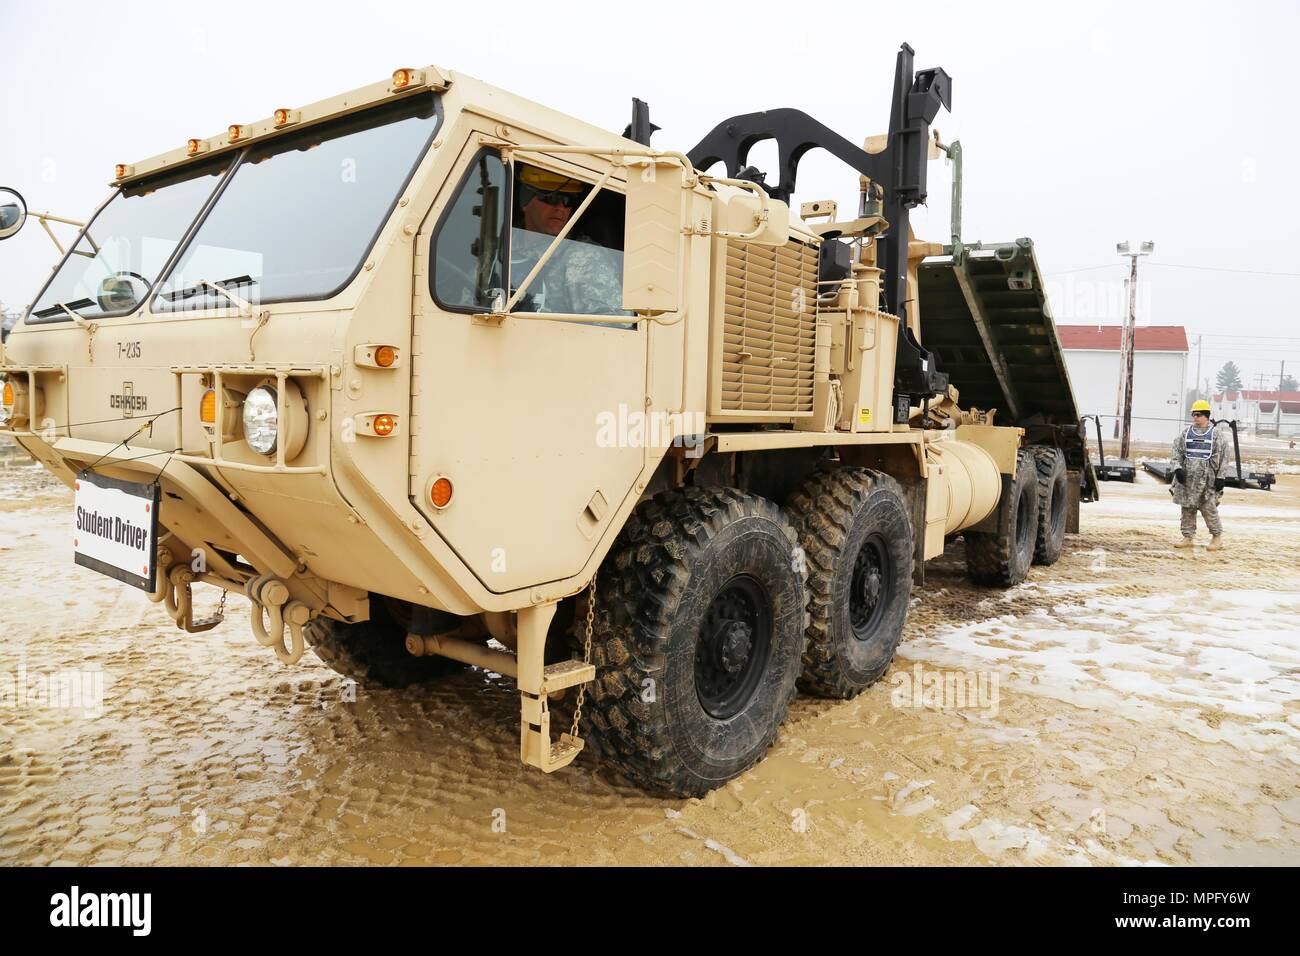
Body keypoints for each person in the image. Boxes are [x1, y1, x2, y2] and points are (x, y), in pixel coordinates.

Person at [510, 164, 624, 316]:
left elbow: (615, 326)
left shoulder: (584, 257)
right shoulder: (500, 246)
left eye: (568, 200)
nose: (561, 208)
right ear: (525, 202)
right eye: (550, 198)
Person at [1170, 400, 1230, 550]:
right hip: (1187, 480)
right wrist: (1177, 469)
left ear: (1206, 416)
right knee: (1187, 509)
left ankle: (1217, 538)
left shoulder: (1217, 435)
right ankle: (1188, 537)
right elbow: (1176, 452)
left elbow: (1224, 457)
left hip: (1207, 480)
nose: (1195, 418)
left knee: (1209, 509)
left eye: (1198, 415)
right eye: (1194, 415)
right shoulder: (1186, 433)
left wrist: (1221, 477)